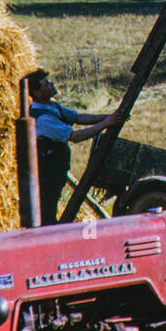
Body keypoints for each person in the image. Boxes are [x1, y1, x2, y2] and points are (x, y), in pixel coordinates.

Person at [23, 68, 118, 224]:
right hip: (47, 173)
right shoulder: (42, 119)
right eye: (46, 84)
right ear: (38, 94)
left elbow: (78, 117)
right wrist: (105, 124)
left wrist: (108, 117)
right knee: (47, 210)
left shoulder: (52, 106)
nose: (51, 84)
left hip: (56, 170)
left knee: (50, 205)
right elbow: (75, 136)